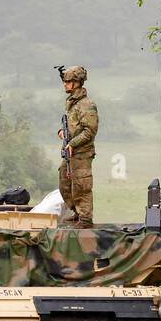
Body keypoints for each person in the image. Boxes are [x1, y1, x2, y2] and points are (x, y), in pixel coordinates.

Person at [55, 65, 97, 227]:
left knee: (82, 185)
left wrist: (73, 143)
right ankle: (76, 212)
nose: (65, 84)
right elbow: (72, 126)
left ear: (77, 82)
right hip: (70, 152)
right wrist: (62, 133)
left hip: (82, 153)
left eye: (69, 81)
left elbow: (90, 131)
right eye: (65, 81)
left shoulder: (86, 104)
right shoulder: (72, 103)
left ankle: (85, 219)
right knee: (64, 182)